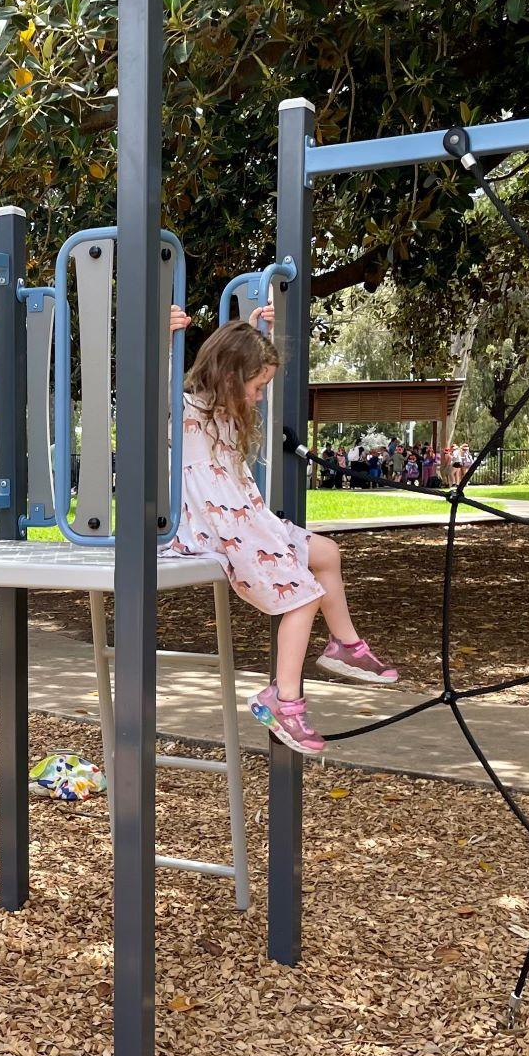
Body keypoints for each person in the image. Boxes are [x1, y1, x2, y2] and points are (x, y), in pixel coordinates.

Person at [168, 320, 398, 756]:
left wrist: (261, 322)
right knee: (302, 595)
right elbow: (148, 388)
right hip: (212, 530)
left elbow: (238, 345)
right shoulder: (180, 409)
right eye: (256, 386)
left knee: (327, 553)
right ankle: (283, 700)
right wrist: (164, 337)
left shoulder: (227, 414)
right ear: (229, 376)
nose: (259, 396)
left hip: (251, 520)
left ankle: (345, 646)